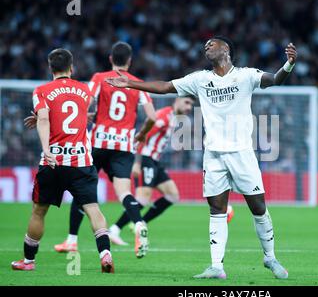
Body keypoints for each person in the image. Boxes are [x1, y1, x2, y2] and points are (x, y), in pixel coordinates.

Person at [106, 36, 297, 279]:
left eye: (212, 43)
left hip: (242, 153)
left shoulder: (246, 75)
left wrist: (289, 64)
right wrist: (132, 85)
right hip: (214, 156)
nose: (206, 46)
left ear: (226, 48)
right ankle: (217, 266)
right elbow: (165, 87)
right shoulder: (199, 79)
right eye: (205, 45)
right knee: (217, 209)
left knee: (258, 207)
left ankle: (270, 257)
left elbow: (274, 80)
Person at [25, 42, 157, 258]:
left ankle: (71, 240)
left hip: (97, 142)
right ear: (130, 61)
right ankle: (138, 222)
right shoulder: (137, 83)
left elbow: (83, 104)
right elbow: (152, 117)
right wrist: (141, 135)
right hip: (123, 145)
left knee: (80, 187)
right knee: (123, 191)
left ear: (110, 59)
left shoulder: (99, 78)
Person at [12, 48, 114, 273]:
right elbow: (74, 113)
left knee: (39, 211)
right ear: (72, 66)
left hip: (54, 161)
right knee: (93, 209)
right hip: (81, 161)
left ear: (50, 68)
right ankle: (105, 254)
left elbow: (46, 119)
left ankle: (28, 261)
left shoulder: (42, 90)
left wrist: (46, 148)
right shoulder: (85, 90)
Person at [108, 97, 195, 245]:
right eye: (187, 102)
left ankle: (141, 222)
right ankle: (114, 229)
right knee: (142, 199)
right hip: (145, 159)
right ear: (178, 99)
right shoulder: (163, 115)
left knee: (172, 195)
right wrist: (137, 162)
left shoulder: (173, 117)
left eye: (191, 105)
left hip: (155, 162)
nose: (189, 108)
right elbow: (144, 135)